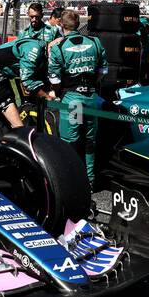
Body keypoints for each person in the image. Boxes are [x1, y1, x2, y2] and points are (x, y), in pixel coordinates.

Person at [47, 10, 108, 182]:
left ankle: (72, 180)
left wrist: (59, 91)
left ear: (61, 25)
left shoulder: (58, 47)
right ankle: (89, 181)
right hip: (91, 98)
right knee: (90, 141)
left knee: (70, 141)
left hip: (73, 100)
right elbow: (103, 70)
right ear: (78, 24)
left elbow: (55, 79)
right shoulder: (95, 42)